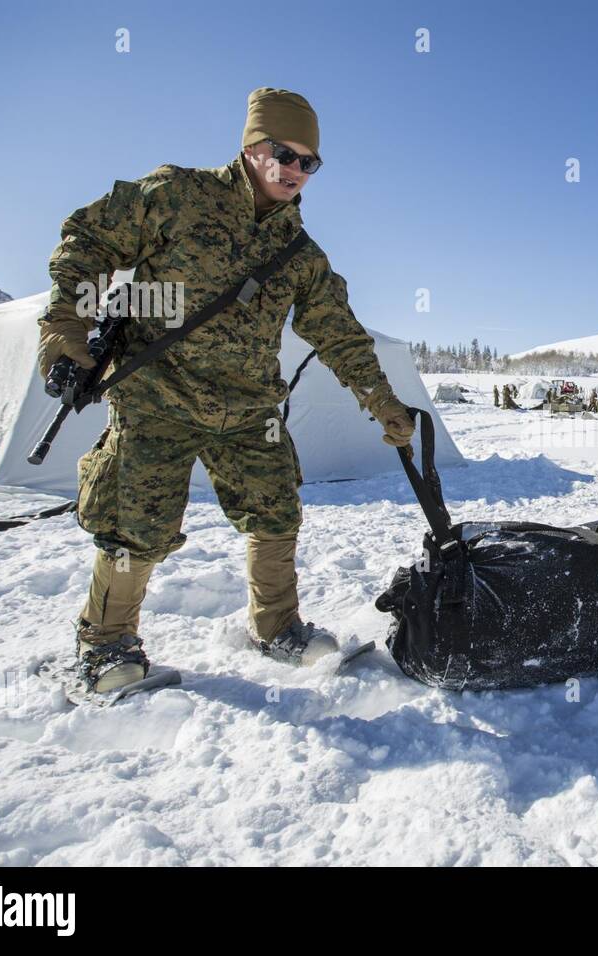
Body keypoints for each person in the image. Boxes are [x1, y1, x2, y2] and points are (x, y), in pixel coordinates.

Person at [38, 87, 416, 692]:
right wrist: (65, 331)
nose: (294, 170)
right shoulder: (176, 196)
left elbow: (340, 334)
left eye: (308, 162)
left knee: (276, 509)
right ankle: (105, 648)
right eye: (282, 153)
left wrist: (382, 401)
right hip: (157, 395)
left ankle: (276, 627)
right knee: (139, 526)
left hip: (247, 410)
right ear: (250, 146)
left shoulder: (300, 254)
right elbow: (87, 241)